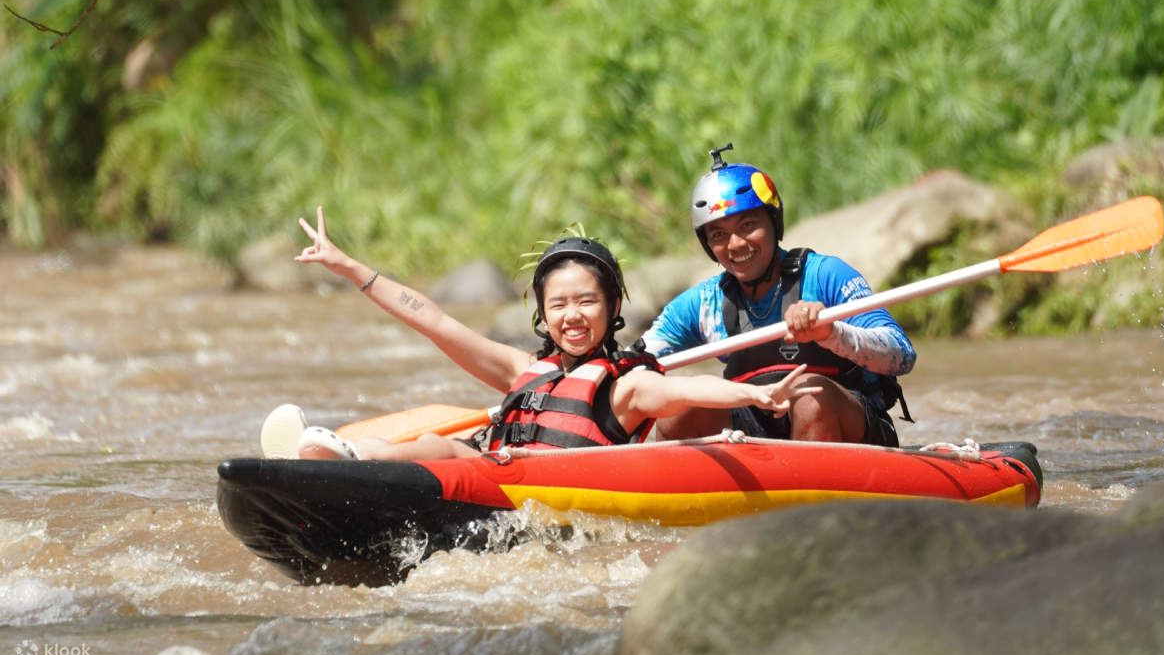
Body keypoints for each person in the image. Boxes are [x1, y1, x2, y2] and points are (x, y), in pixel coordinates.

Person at [262, 206, 821, 461]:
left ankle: (336, 461)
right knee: (441, 446)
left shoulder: (625, 386)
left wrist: (754, 394)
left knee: (443, 452)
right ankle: (338, 457)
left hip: (537, 494)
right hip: (490, 469)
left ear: (614, 306)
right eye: (559, 304)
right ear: (542, 313)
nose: (572, 316)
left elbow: (688, 390)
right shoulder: (519, 370)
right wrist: (352, 269)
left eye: (586, 302)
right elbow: (431, 318)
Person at [637, 144, 916, 446]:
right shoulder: (703, 303)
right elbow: (634, 360)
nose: (736, 245)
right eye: (718, 235)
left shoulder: (826, 275)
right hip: (755, 429)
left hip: (847, 430)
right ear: (708, 246)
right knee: (679, 403)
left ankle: (814, 488)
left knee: (810, 394)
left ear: (774, 223)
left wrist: (832, 333)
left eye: (748, 226)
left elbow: (902, 355)